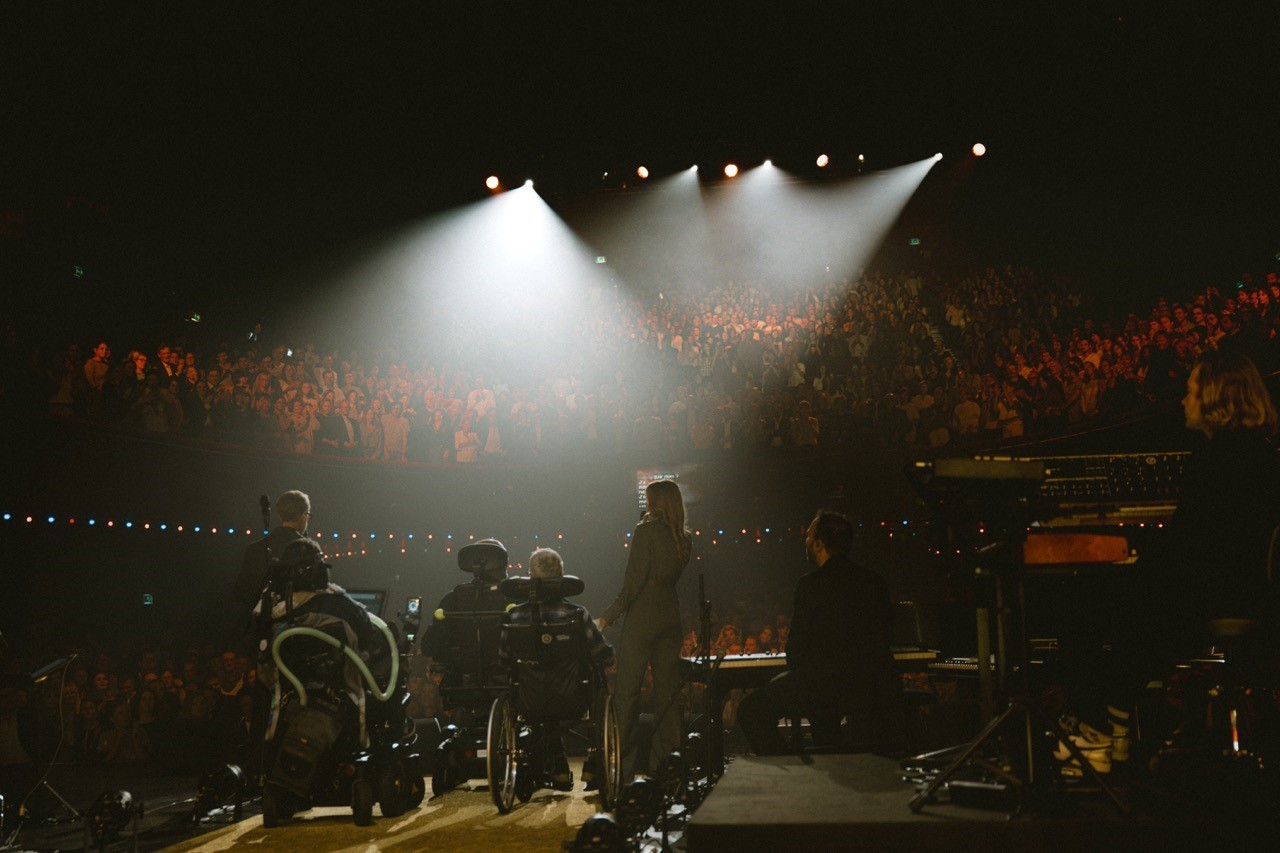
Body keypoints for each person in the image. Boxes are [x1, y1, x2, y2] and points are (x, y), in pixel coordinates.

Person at [737, 510, 900, 755]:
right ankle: (832, 756)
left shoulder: (810, 584)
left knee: (750, 711)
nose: (805, 541)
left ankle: (792, 766)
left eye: (809, 536)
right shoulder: (875, 581)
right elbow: (886, 636)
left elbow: (795, 653)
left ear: (819, 544)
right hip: (871, 684)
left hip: (824, 685)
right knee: (824, 705)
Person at [598, 479, 692, 778]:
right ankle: (667, 763)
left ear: (656, 502)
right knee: (668, 695)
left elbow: (634, 581)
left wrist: (608, 616)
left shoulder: (645, 531)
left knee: (627, 693)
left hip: (642, 617)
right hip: (670, 614)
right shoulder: (684, 538)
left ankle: (622, 767)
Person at [500, 548, 613, 791]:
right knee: (595, 677)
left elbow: (504, 658)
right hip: (572, 697)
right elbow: (601, 653)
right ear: (561, 576)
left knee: (542, 687)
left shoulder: (514, 616)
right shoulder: (577, 615)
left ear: (531, 577)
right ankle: (593, 761)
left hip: (530, 699)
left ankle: (559, 765)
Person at [233, 490, 312, 640]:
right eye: (308, 515)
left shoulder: (254, 549)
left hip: (256, 632)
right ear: (303, 516)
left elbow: (240, 594)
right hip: (293, 635)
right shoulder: (307, 551)